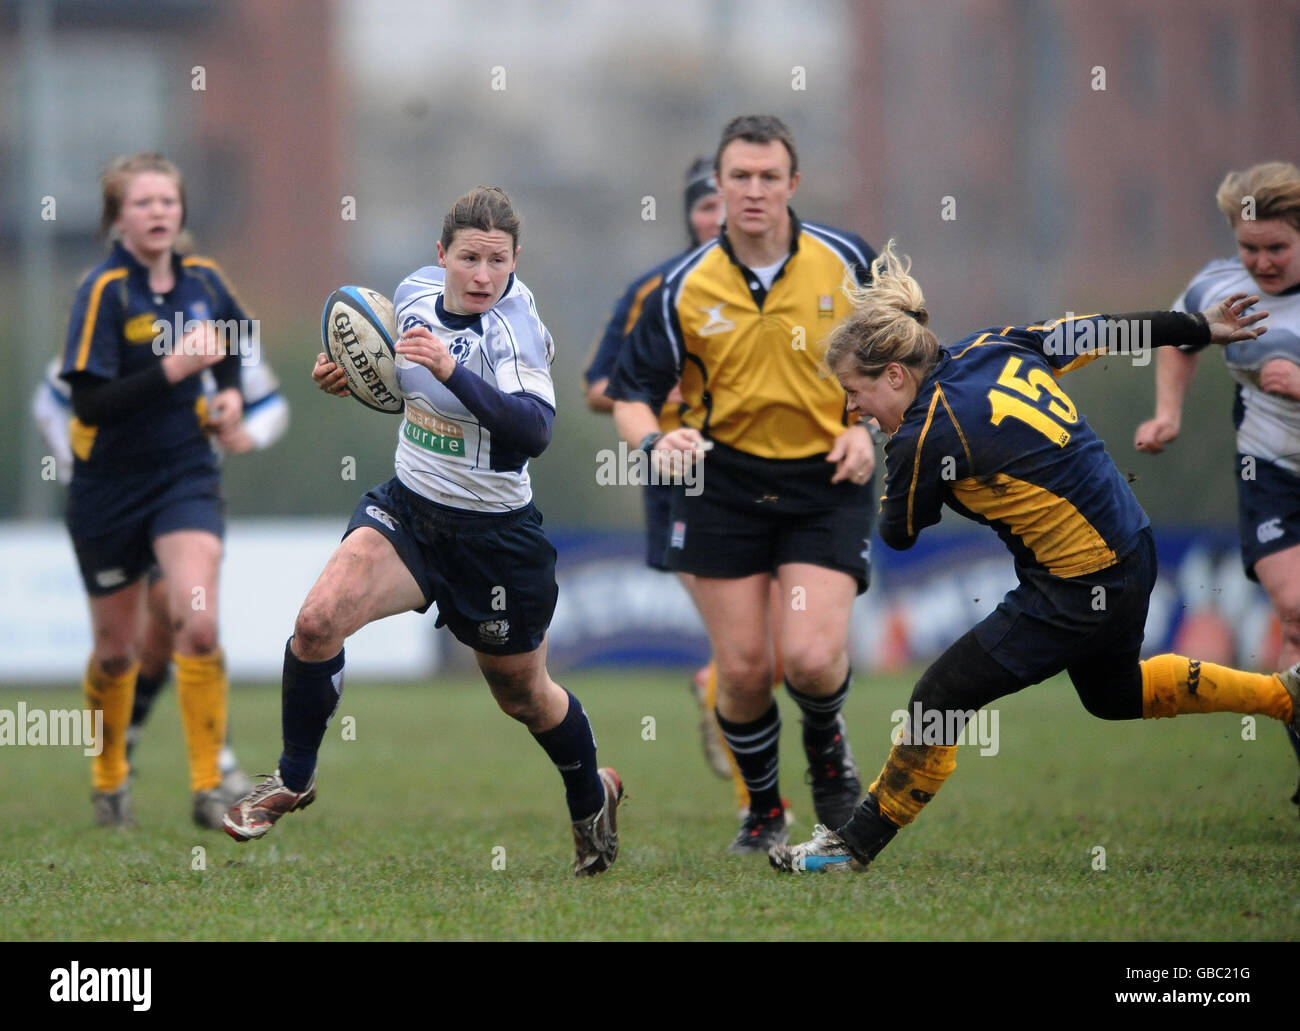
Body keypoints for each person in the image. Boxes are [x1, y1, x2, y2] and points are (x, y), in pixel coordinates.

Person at [768, 240, 1300, 874]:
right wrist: (1199, 328)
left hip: (1079, 584)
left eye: (855, 395)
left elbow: (900, 533)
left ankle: (850, 847)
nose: (851, 411)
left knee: (939, 698)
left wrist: (894, 469)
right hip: (1133, 547)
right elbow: (1105, 331)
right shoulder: (992, 345)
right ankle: (1286, 695)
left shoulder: (924, 432)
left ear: (894, 375)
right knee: (1113, 694)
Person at [222, 186, 624, 877]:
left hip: (496, 540)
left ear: (515, 262)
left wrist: (452, 370)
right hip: (408, 511)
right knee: (317, 621)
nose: (482, 275)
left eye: (497, 261)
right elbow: (401, 386)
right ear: (441, 255)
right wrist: (351, 375)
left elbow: (534, 431)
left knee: (524, 695)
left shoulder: (515, 328)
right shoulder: (408, 296)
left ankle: (593, 796)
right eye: (468, 257)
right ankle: (293, 775)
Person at [607, 115, 878, 854]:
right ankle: (763, 811)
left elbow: (909, 364)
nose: (753, 191)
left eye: (768, 177)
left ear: (793, 183)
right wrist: (656, 439)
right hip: (720, 484)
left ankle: (828, 755)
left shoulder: (848, 260)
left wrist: (867, 427)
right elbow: (629, 393)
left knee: (812, 659)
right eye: (739, 177)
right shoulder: (681, 287)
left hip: (825, 478)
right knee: (748, 668)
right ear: (718, 187)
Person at [58, 152, 249, 829]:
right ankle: (110, 776)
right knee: (118, 651)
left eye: (168, 201)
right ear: (117, 218)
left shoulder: (204, 281)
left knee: (196, 621)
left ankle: (209, 788)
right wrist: (175, 368)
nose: (159, 212)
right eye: (143, 203)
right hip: (107, 487)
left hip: (184, 477)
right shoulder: (104, 291)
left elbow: (233, 344)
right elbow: (89, 405)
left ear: (182, 210)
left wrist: (227, 397)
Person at [33, 354, 288, 796]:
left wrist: (246, 433)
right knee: (129, 645)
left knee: (188, 614)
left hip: (186, 498)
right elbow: (49, 400)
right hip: (119, 500)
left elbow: (271, 406)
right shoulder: (112, 326)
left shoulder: (216, 330)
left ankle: (214, 765)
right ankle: (123, 746)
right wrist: (73, 464)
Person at [1134, 161, 1300, 813]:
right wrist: (1168, 412)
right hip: (1270, 471)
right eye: (1248, 247)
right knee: (1294, 612)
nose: (1260, 262)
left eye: (1277, 248)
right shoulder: (1220, 285)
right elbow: (1181, 338)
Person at [583, 156, 744, 793]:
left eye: (727, 203)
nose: (720, 217)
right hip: (683, 475)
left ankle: (716, 688)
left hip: (774, 472)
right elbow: (601, 386)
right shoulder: (657, 290)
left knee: (786, 645)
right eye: (706, 206)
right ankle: (758, 810)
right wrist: (660, 391)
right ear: (689, 215)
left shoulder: (789, 285)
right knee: (740, 647)